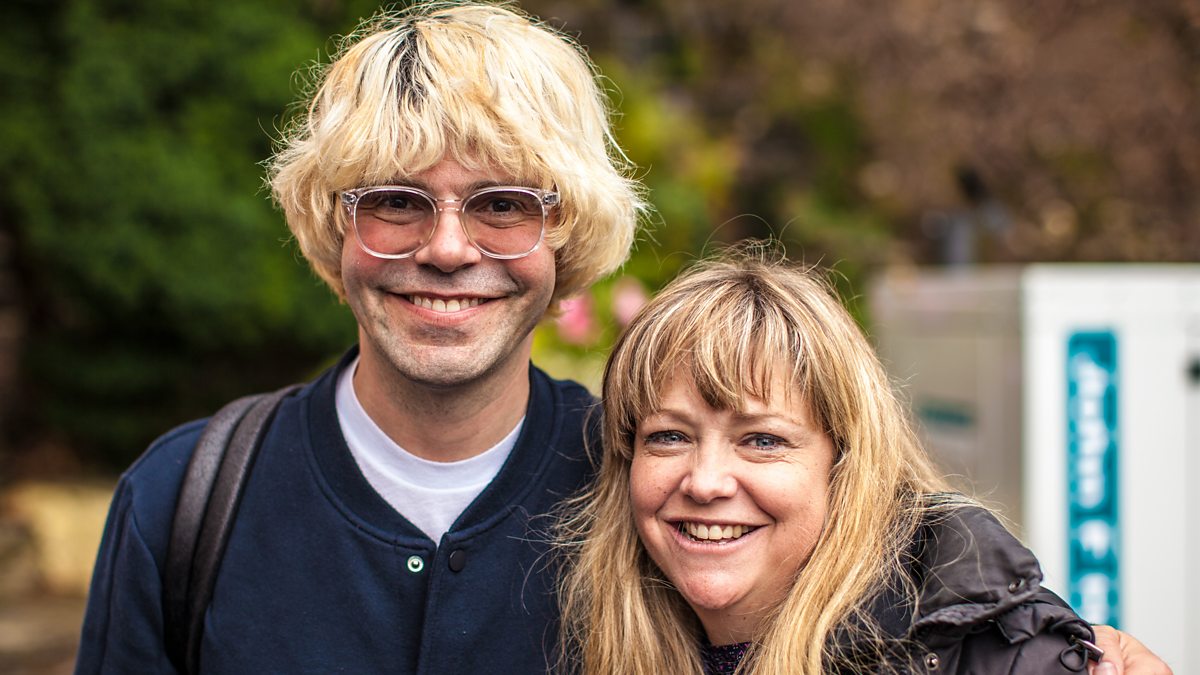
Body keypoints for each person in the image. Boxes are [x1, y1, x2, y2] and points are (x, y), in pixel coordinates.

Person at [74, 3, 1164, 674]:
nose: (448, 249)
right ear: (334, 227)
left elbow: (899, 584)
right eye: (395, 201)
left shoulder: (660, 496)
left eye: (504, 204)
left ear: (568, 237)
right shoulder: (187, 506)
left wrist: (1069, 654)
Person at [555, 247, 1172, 675]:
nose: (707, 481)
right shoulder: (588, 634)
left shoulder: (1000, 658)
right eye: (669, 437)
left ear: (847, 464)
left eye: (763, 440)